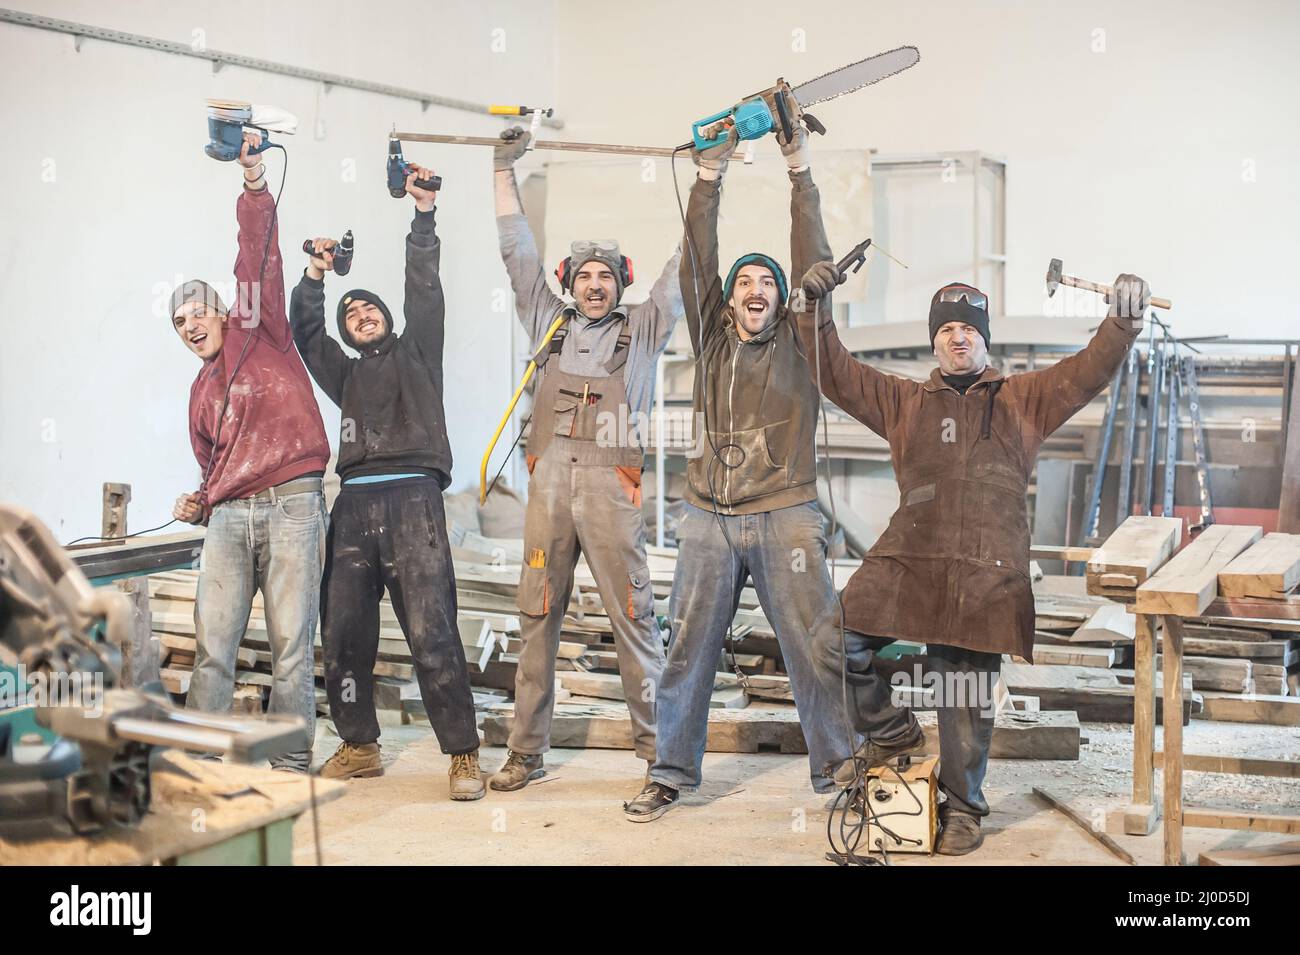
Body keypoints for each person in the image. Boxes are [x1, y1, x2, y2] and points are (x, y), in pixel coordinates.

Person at [795, 261, 1149, 853]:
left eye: (969, 329)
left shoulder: (1025, 399)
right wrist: (817, 310)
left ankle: (962, 808)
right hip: (910, 558)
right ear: (934, 341)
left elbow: (1089, 372)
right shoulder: (904, 401)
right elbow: (836, 374)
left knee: (962, 694)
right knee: (830, 644)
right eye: (946, 330)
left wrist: (1122, 321)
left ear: (985, 339)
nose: (958, 338)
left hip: (986, 569)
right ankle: (890, 731)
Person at [625, 104, 858, 823]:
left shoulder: (800, 339)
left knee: (817, 646)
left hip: (785, 514)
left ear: (781, 300)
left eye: (767, 286)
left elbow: (813, 262)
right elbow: (698, 252)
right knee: (686, 648)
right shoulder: (712, 341)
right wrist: (708, 172)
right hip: (706, 519)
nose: (756, 292)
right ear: (726, 304)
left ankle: (844, 769)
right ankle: (669, 769)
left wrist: (799, 169)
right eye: (743, 285)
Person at [488, 127, 683, 793]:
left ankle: (663, 756)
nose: (594, 286)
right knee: (536, 612)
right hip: (547, 492)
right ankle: (525, 750)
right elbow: (517, 254)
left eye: (605, 276)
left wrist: (708, 178)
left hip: (610, 490)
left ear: (620, 283)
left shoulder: (646, 327)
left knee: (634, 616)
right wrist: (502, 169)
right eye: (583, 277)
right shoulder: (547, 322)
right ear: (567, 283)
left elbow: (689, 264)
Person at [288, 164, 485, 798]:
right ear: (347, 333)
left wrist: (422, 217)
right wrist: (317, 273)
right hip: (353, 506)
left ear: (388, 321)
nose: (363, 315)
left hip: (414, 501)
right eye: (354, 315)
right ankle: (359, 744)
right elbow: (305, 331)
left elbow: (423, 290)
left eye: (370, 309)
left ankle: (461, 755)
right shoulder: (342, 377)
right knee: (343, 636)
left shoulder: (418, 354)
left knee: (433, 632)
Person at [169, 131, 330, 773]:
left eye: (197, 313)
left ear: (222, 311)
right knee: (214, 645)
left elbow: (256, 254)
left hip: (293, 504)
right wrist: (197, 500)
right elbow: (212, 471)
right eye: (179, 324)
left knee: (292, 644)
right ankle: (203, 760)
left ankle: (290, 760)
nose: (189, 327)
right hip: (230, 519)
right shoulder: (199, 393)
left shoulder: (259, 333)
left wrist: (253, 180)